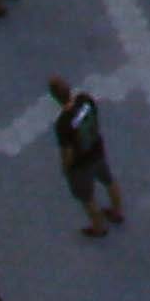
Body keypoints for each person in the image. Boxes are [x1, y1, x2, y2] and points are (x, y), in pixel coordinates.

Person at [49, 80, 122, 236]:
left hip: (80, 165)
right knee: (109, 181)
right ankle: (117, 212)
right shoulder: (85, 100)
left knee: (87, 198)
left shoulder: (63, 123)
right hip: (97, 150)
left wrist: (65, 167)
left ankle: (99, 228)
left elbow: (67, 151)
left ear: (55, 98)